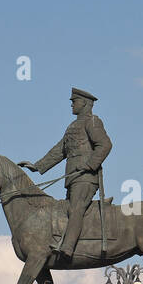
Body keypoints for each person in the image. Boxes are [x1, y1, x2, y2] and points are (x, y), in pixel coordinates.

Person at [19, 87, 112, 263]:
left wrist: (90, 164)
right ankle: (64, 240)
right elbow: (59, 150)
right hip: (73, 177)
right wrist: (38, 166)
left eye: (74, 101)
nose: (71, 105)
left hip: (86, 176)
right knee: (68, 210)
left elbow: (105, 145)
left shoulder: (93, 121)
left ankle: (68, 248)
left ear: (84, 103)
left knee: (76, 208)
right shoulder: (73, 126)